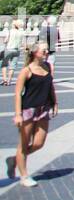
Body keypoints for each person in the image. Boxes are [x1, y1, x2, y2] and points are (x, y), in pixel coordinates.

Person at [7, 42, 57, 187]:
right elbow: (17, 93)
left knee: (38, 143)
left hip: (43, 109)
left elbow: (50, 86)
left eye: (47, 49)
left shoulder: (48, 66)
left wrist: (55, 103)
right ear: (35, 53)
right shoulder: (26, 70)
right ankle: (24, 176)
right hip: (28, 109)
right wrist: (18, 114)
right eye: (44, 50)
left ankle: (14, 160)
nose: (47, 51)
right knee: (23, 144)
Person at [1, 19, 23, 85]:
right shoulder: (21, 32)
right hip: (17, 51)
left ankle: (5, 80)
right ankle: (9, 81)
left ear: (13, 25)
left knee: (4, 65)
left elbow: (5, 41)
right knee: (12, 66)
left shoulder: (9, 31)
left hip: (8, 49)